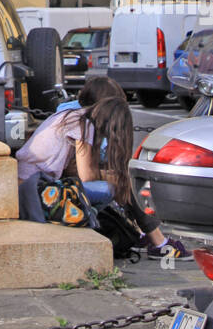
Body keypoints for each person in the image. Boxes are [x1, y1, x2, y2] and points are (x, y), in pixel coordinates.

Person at [20, 74, 190, 259]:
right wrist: (116, 177)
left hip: (31, 187)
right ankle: (158, 242)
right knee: (109, 187)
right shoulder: (81, 122)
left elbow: (72, 170)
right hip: (35, 191)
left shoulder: (67, 115)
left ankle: (150, 238)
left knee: (117, 179)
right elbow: (87, 177)